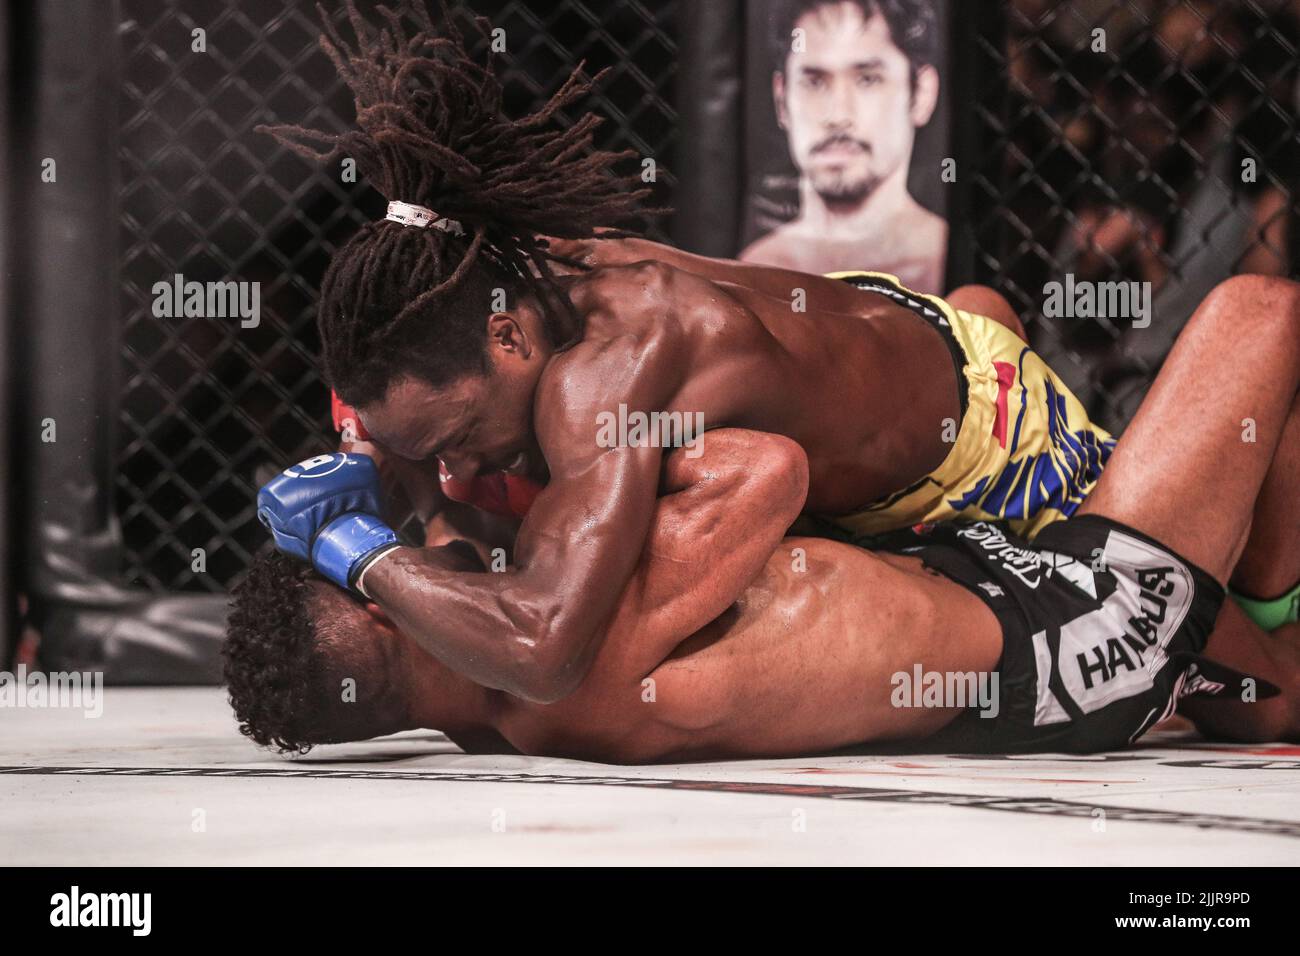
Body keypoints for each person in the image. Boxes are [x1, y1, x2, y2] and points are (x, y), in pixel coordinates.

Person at [255, 1, 1111, 703]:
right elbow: (435, 424)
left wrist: (359, 551)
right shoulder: (515, 267)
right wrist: (376, 459)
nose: (458, 466)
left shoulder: (601, 378)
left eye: (456, 435)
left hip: (993, 450)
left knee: (1232, 684)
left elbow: (544, 650)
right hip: (921, 338)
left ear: (507, 338)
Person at [228, 273, 1300, 761]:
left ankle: (1251, 651)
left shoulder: (494, 709)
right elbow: (762, 466)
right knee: (1258, 316)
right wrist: (377, 536)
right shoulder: (574, 653)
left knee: (979, 318)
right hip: (1072, 628)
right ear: (383, 612)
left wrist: (446, 509)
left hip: (977, 578)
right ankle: (1262, 621)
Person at [739, 0, 948, 292]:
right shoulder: (753, 272)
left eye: (867, 79)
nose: (837, 116)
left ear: (922, 94)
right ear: (781, 100)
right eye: (814, 82)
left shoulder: (949, 265)